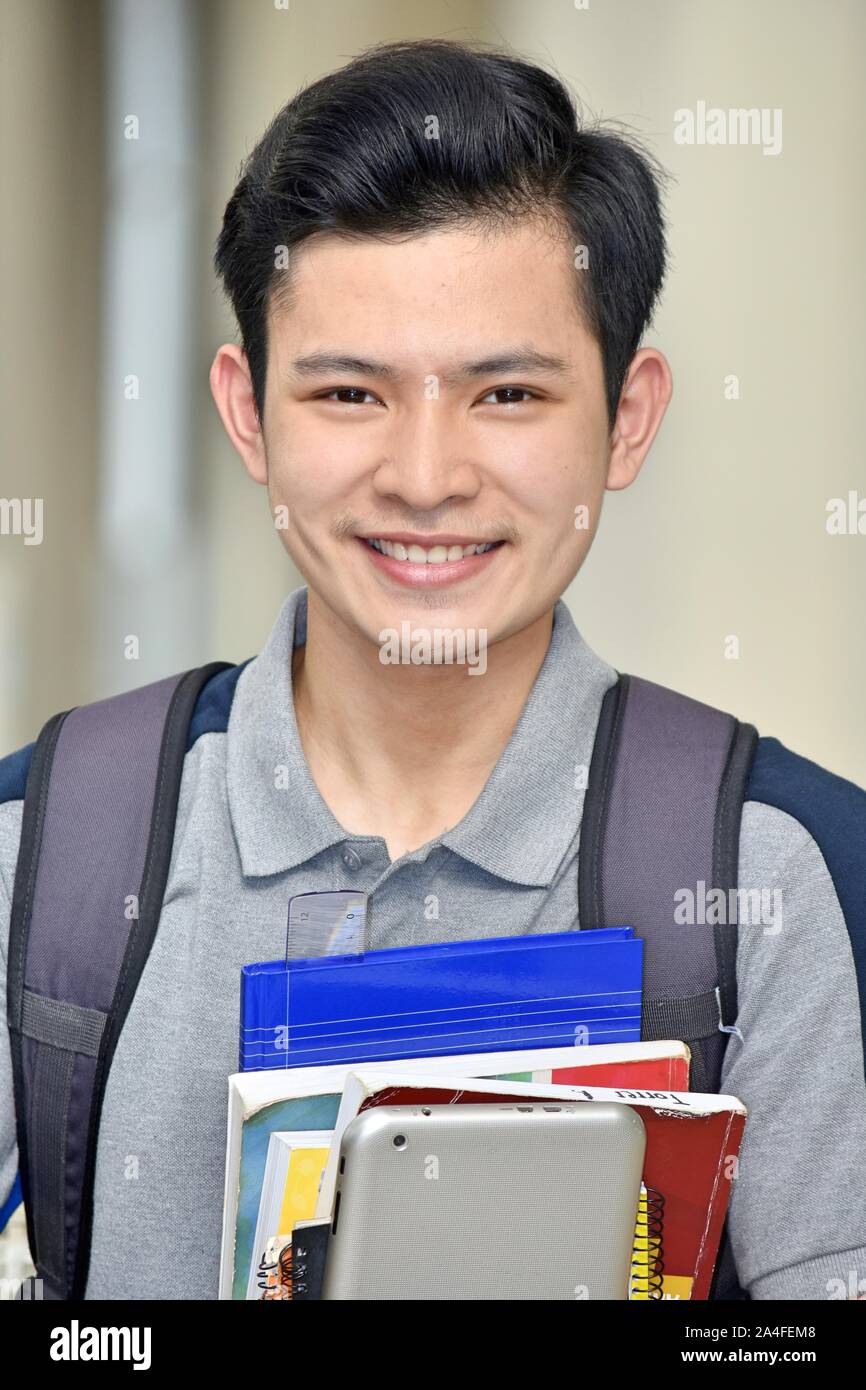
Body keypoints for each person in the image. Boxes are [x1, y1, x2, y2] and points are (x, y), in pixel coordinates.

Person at [1, 38, 864, 1301]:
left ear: (625, 416)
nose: (423, 476)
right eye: (348, 394)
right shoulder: (44, 853)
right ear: (247, 414)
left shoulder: (785, 882)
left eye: (505, 394)